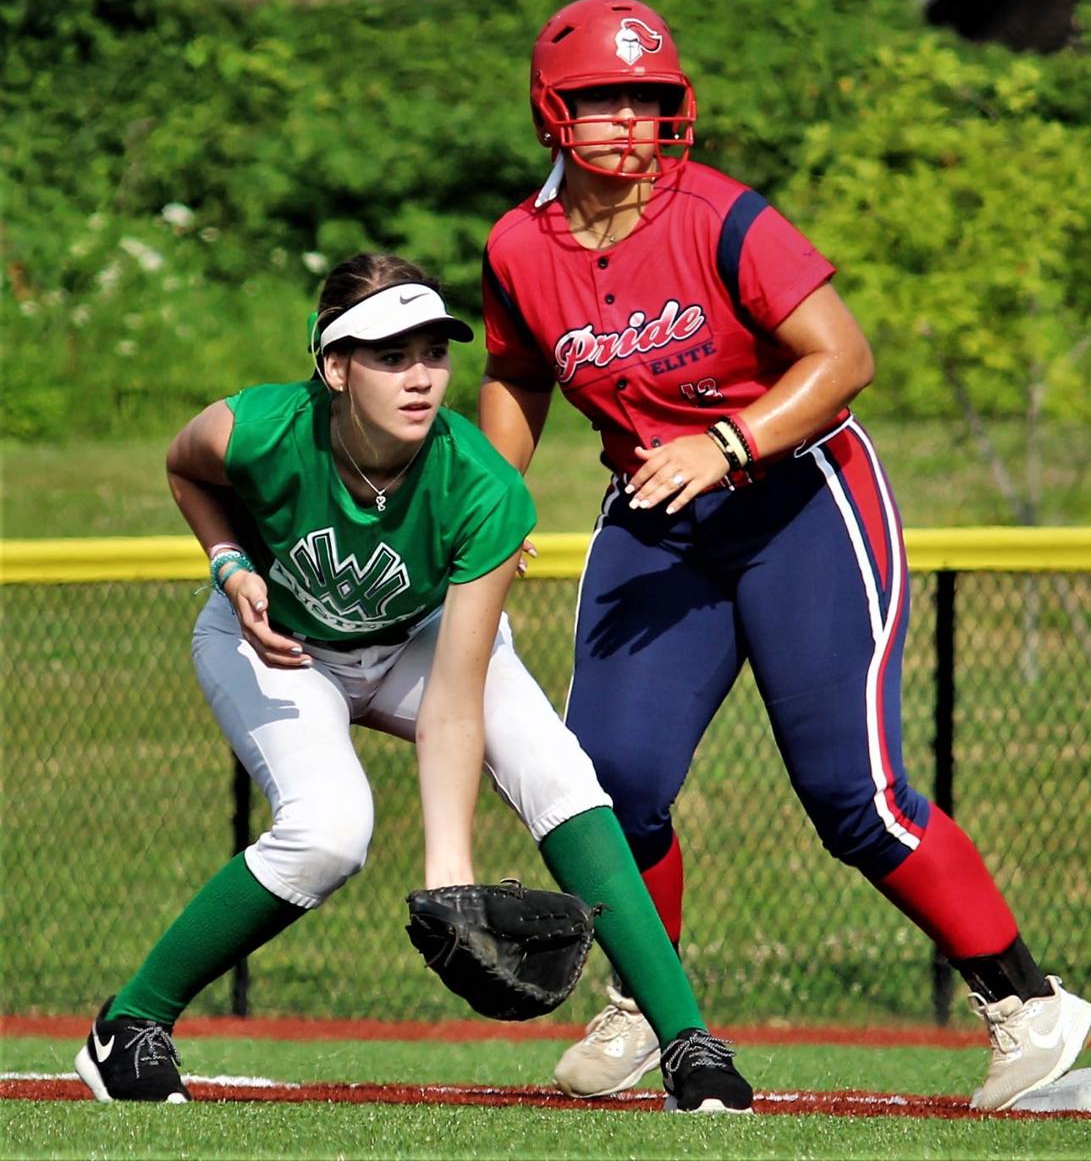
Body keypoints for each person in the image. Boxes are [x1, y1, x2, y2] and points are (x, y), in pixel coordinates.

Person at [478, 0, 1091, 1112]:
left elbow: (841, 354)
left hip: (798, 501)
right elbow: (520, 374)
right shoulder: (521, 245)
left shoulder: (719, 213)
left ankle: (1028, 1001)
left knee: (849, 793)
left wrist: (729, 441)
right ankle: (649, 1005)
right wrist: (490, 505)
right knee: (607, 784)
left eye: (648, 98)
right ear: (549, 111)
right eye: (601, 99)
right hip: (657, 512)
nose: (628, 120)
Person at [73, 252, 752, 1113]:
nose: (421, 375)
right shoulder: (257, 428)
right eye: (390, 355)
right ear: (333, 364)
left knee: (561, 774)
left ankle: (687, 1040)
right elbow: (185, 469)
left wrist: (450, 873)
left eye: (434, 351)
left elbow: (456, 699)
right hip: (282, 645)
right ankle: (128, 1024)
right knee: (327, 832)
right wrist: (231, 565)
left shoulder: (482, 487)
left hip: (414, 643)